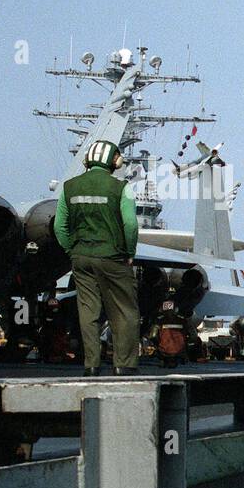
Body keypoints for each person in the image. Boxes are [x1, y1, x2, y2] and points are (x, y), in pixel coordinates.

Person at [53, 140, 140, 375]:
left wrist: (72, 250)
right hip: (113, 258)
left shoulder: (68, 187)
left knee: (87, 311)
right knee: (124, 311)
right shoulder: (122, 188)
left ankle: (91, 364)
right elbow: (131, 224)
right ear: (115, 160)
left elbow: (59, 227)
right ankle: (123, 365)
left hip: (81, 258)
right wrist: (130, 252)